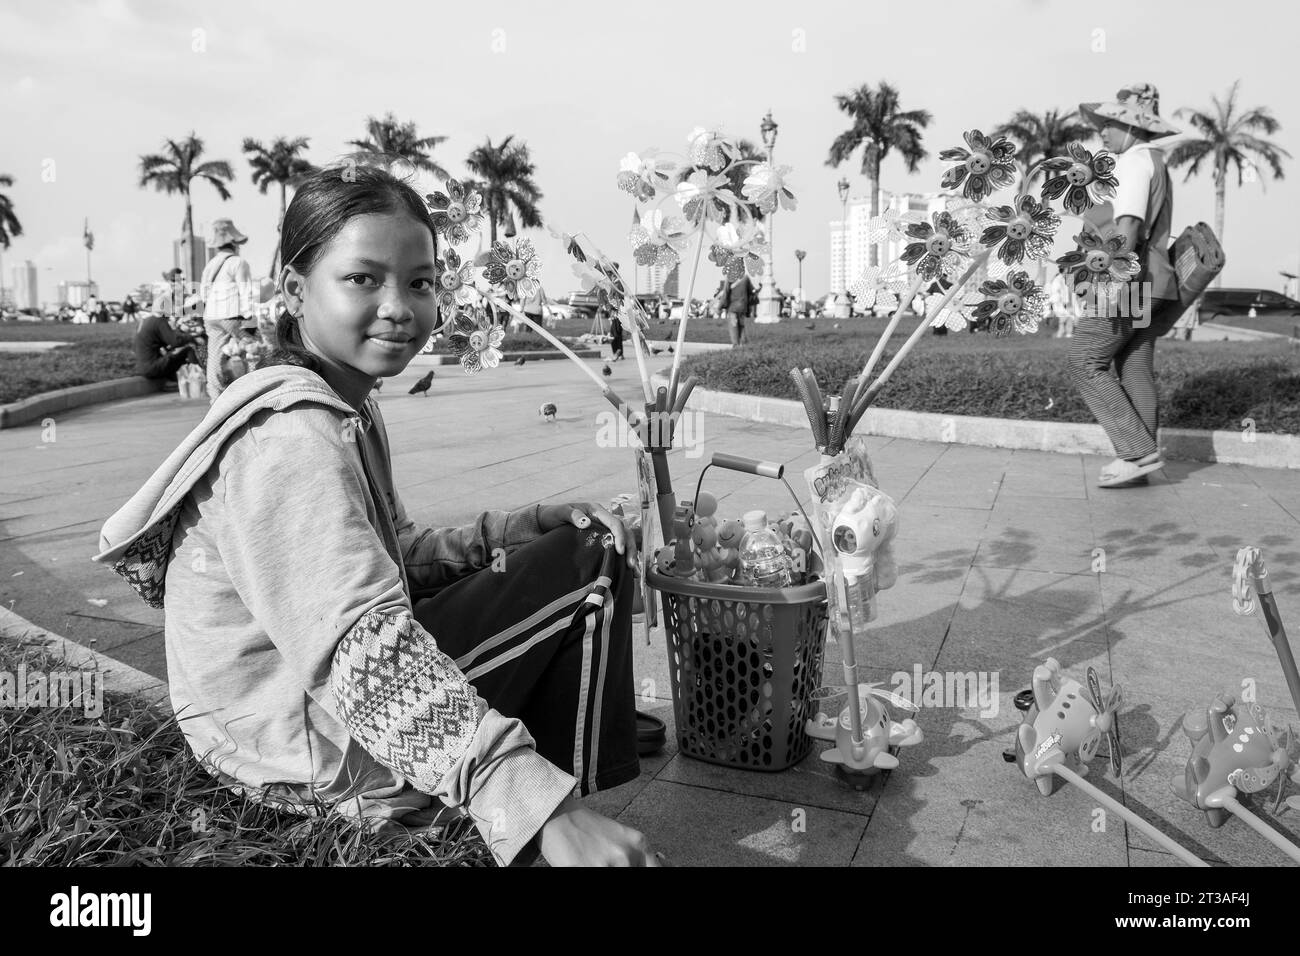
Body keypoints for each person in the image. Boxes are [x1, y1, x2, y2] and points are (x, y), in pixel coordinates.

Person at [93, 165, 657, 868]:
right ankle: (548, 826)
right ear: (296, 291)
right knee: (588, 567)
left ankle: (562, 773)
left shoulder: (346, 403)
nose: (398, 306)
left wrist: (516, 528)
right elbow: (360, 650)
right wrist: (530, 800)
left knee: (574, 541)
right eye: (363, 279)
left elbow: (396, 554)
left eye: (419, 282)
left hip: (293, 720)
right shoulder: (288, 438)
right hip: (299, 760)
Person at [1068, 83, 1183, 489]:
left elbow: (1128, 226)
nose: (1102, 130)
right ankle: (1140, 462)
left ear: (1133, 126)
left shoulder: (1133, 162)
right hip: (1156, 279)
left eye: (1111, 122)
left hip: (1130, 278)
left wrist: (1107, 279)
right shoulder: (1154, 159)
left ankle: (1136, 452)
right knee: (1133, 366)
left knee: (1085, 360)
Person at [200, 218, 256, 403]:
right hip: (231, 314)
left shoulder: (210, 265)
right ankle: (254, 390)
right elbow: (245, 291)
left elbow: (203, 292)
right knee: (252, 346)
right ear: (234, 242)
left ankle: (215, 396)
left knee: (214, 354)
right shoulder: (238, 262)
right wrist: (250, 319)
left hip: (211, 316)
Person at [133, 309, 199, 386]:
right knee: (188, 349)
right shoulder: (159, 321)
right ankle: (196, 379)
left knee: (172, 353)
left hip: (142, 368)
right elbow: (175, 341)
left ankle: (175, 379)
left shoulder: (145, 321)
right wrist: (192, 337)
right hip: (153, 367)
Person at [718, 273, 754, 348]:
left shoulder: (730, 277)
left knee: (733, 326)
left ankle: (736, 345)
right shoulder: (745, 277)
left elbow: (725, 293)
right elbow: (751, 291)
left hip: (733, 307)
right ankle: (744, 344)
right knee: (741, 325)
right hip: (743, 307)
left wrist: (720, 306)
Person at [1049, 269, 1081, 338]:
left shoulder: (1067, 279)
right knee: (1063, 319)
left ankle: (1068, 333)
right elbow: (1055, 293)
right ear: (1063, 271)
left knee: (1069, 318)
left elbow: (1072, 291)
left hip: (1069, 302)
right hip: (1061, 303)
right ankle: (1061, 333)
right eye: (1066, 271)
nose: (1068, 272)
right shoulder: (1057, 280)